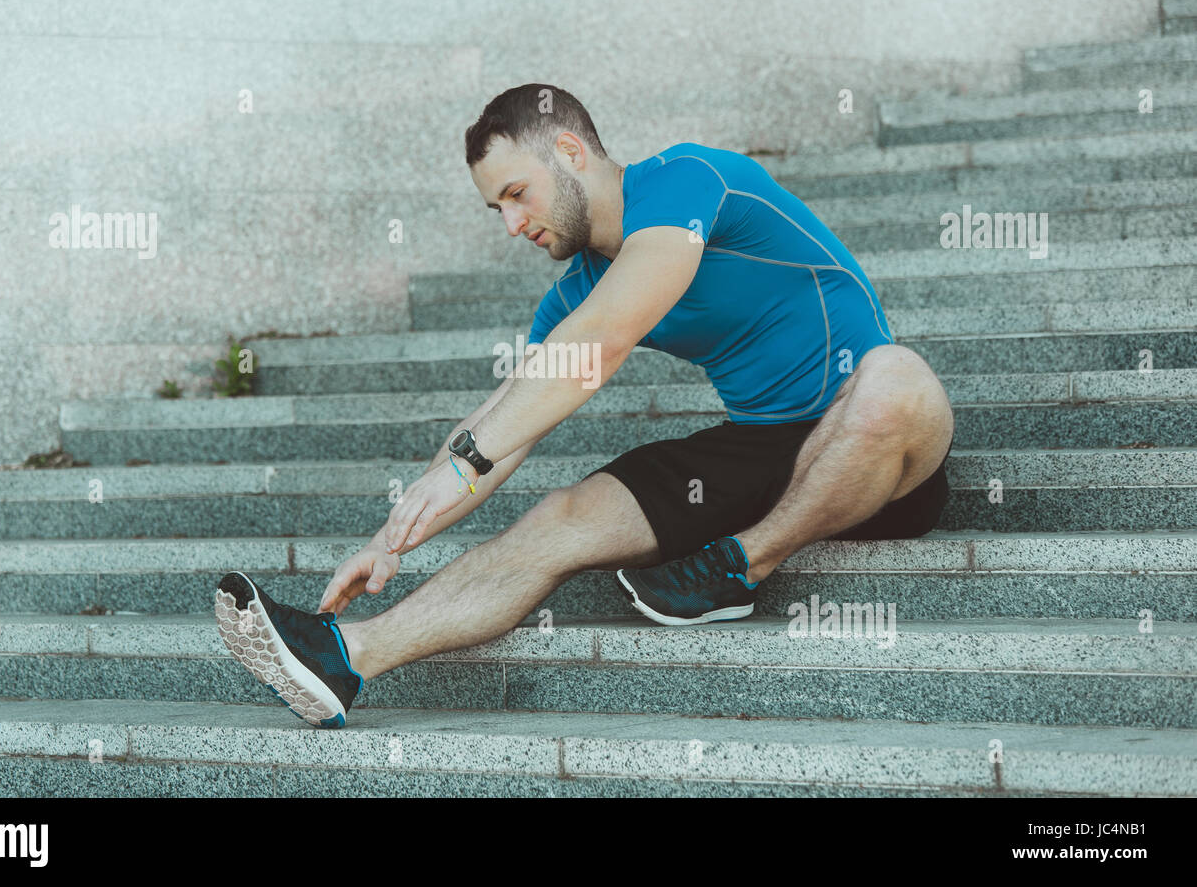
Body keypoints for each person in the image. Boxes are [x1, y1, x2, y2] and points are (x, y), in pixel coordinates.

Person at [215, 83, 955, 728]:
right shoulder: (573, 292)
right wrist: (391, 537)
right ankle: (346, 659)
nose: (511, 225)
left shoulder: (687, 182)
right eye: (494, 208)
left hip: (876, 449)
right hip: (761, 448)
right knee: (560, 519)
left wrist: (469, 463)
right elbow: (496, 419)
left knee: (894, 375)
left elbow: (600, 343)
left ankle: (742, 567)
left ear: (569, 151)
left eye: (515, 194)